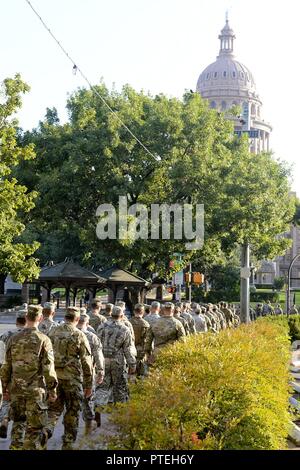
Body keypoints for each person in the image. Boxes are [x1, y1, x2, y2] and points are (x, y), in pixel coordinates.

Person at [0, 305, 58, 450]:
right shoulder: (43, 340)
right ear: (40, 318)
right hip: (35, 391)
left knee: (18, 425)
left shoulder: (13, 339)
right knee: (34, 429)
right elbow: (48, 368)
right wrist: (53, 390)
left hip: (16, 389)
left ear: (26, 318)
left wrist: (5, 387)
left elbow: (6, 366)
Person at [47, 307, 93, 450]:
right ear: (77, 320)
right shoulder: (78, 334)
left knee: (53, 410)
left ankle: (47, 429)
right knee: (72, 411)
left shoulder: (52, 332)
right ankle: (67, 443)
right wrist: (88, 384)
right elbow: (86, 361)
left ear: (65, 317)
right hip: (72, 379)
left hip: (54, 377)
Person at [95, 306, 136, 425]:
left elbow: (97, 345)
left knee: (103, 386)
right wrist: (132, 364)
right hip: (117, 360)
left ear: (111, 315)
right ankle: (120, 415)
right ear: (122, 316)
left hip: (103, 360)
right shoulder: (124, 329)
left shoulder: (101, 327)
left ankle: (98, 407)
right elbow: (127, 349)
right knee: (120, 387)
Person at [0, 309, 27, 439]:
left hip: (8, 372)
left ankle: (4, 419)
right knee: (21, 403)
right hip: (25, 375)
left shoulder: (6, 335)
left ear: (16, 320)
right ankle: (18, 435)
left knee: (6, 400)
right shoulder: (31, 335)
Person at [77, 312, 105, 433]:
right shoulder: (92, 337)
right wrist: (100, 371)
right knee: (88, 398)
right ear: (87, 323)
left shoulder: (65, 334)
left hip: (68, 373)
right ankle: (88, 424)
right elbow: (98, 356)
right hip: (87, 372)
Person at [129, 304, 150, 377]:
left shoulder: (128, 323)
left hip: (129, 350)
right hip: (140, 350)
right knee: (140, 373)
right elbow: (147, 340)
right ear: (143, 312)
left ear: (134, 311)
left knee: (130, 372)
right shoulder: (145, 324)